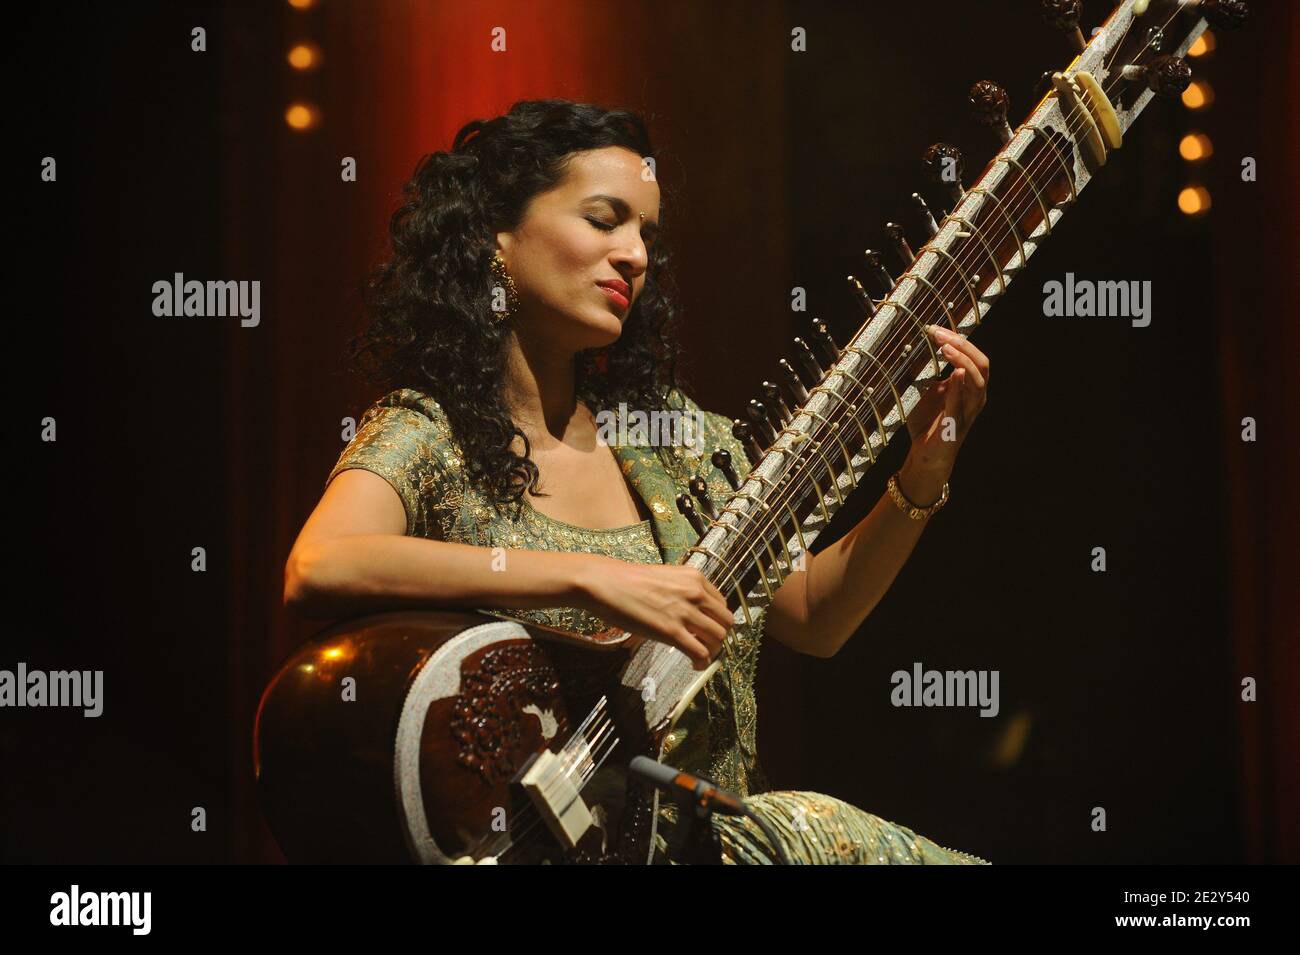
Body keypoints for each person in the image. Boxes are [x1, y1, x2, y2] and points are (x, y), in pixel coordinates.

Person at [283, 99, 991, 865]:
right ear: (496, 235)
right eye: (603, 219)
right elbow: (321, 565)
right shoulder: (431, 433)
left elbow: (816, 613)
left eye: (645, 234)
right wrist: (592, 579)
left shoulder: (674, 441)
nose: (634, 255)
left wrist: (922, 469)